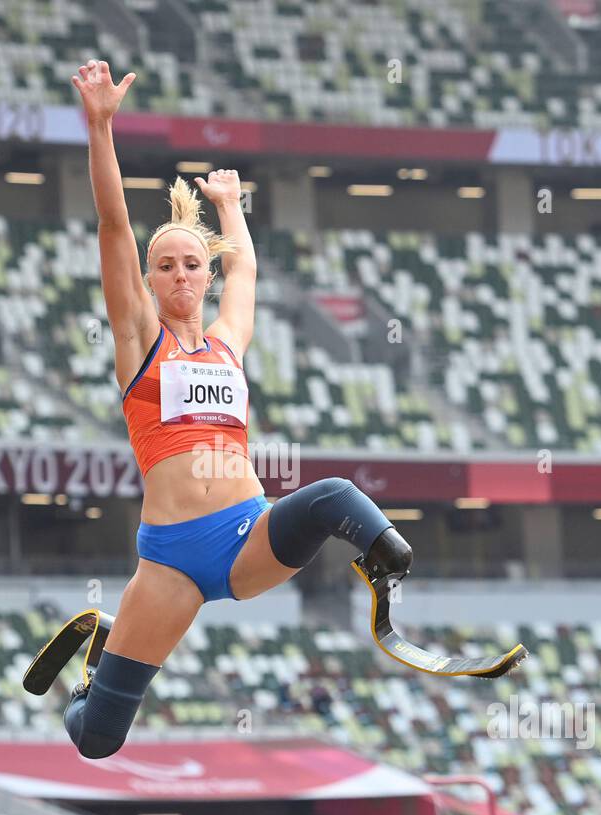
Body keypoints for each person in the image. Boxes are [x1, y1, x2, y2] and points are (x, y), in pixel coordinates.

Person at [63, 59, 412, 760]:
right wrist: (101, 126)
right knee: (99, 740)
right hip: (171, 563)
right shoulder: (139, 339)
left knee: (335, 498)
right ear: (151, 279)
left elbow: (244, 270)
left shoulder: (227, 344)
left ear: (205, 272)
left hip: (248, 536)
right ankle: (90, 679)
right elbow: (111, 224)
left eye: (193, 264)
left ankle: (387, 566)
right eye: (165, 265)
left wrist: (227, 208)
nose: (180, 275)